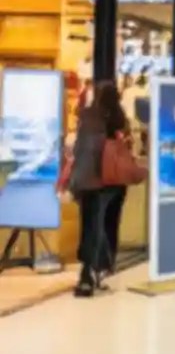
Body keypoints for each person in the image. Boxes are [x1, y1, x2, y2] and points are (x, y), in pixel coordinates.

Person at [66, 81, 128, 297]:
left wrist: (74, 182)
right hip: (109, 183)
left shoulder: (87, 117)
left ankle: (88, 272)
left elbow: (79, 151)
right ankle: (96, 271)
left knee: (90, 225)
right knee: (105, 225)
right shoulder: (116, 118)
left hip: (86, 182)